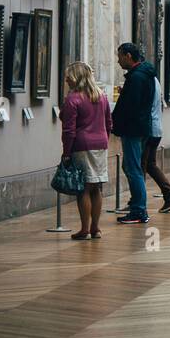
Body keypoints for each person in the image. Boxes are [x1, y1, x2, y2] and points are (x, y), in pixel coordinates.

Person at [59, 61, 113, 239]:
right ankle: (95, 228)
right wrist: (104, 139)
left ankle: (84, 229)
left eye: (69, 75)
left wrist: (66, 152)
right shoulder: (101, 96)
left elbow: (69, 130)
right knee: (96, 187)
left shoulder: (73, 99)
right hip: (100, 144)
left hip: (82, 146)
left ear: (77, 76)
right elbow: (108, 123)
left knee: (83, 188)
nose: (66, 78)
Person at [111, 42, 156, 225]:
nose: (118, 60)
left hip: (133, 128)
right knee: (131, 167)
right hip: (140, 126)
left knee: (134, 169)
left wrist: (117, 121)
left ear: (129, 56)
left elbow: (132, 106)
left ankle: (138, 210)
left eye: (120, 56)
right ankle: (137, 205)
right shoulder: (143, 75)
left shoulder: (137, 77)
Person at [143, 73, 170, 214]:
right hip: (156, 128)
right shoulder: (154, 79)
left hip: (148, 129)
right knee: (150, 165)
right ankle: (169, 196)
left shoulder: (144, 79)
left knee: (139, 167)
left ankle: (137, 203)